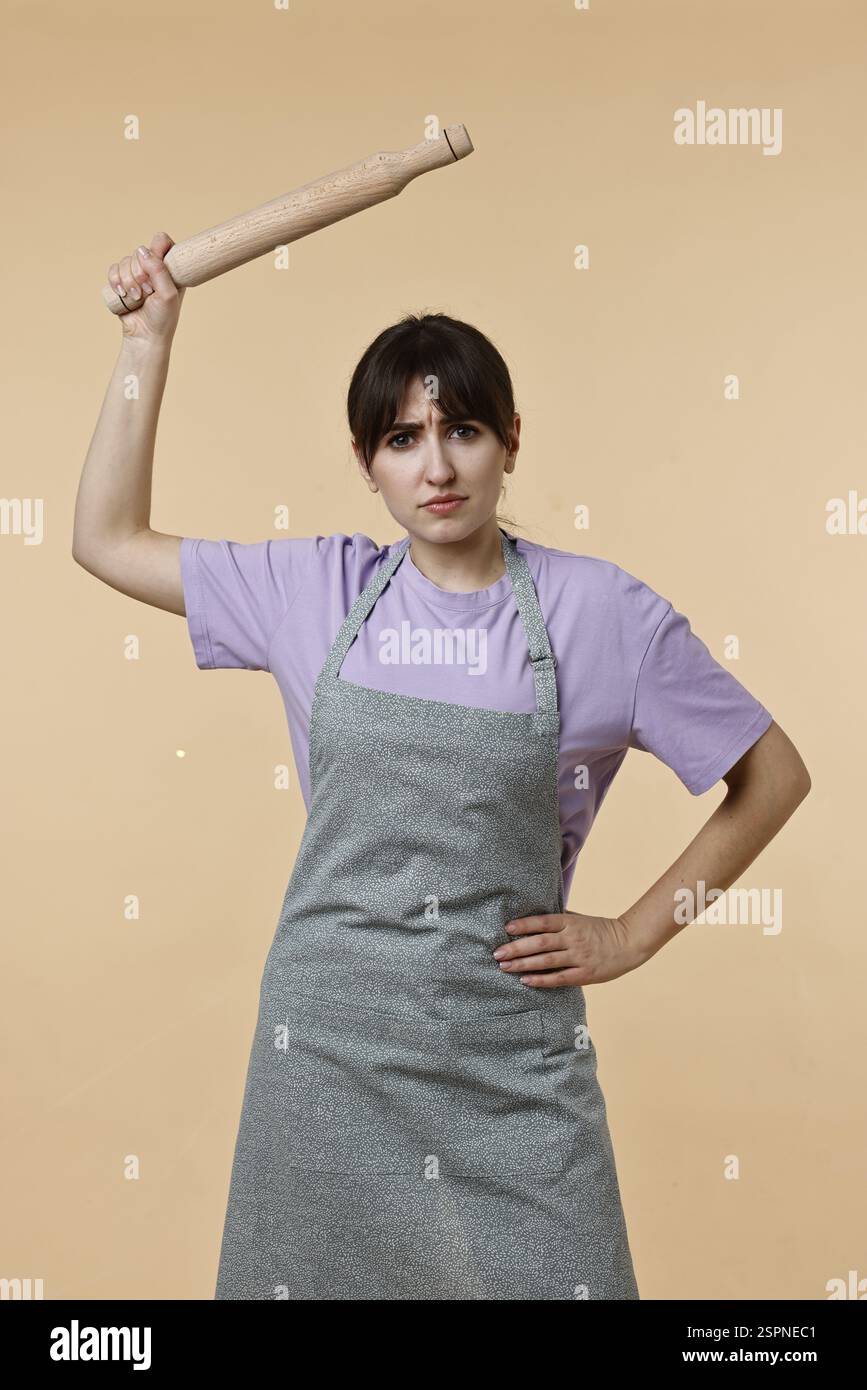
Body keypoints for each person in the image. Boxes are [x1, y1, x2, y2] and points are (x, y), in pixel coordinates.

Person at [73, 233, 811, 1301]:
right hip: (324, 1054)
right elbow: (104, 536)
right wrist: (149, 341)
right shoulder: (309, 590)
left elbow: (774, 775)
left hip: (511, 1069)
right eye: (403, 437)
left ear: (510, 439)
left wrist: (630, 934)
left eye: (462, 429)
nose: (437, 465)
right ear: (367, 461)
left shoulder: (600, 613)